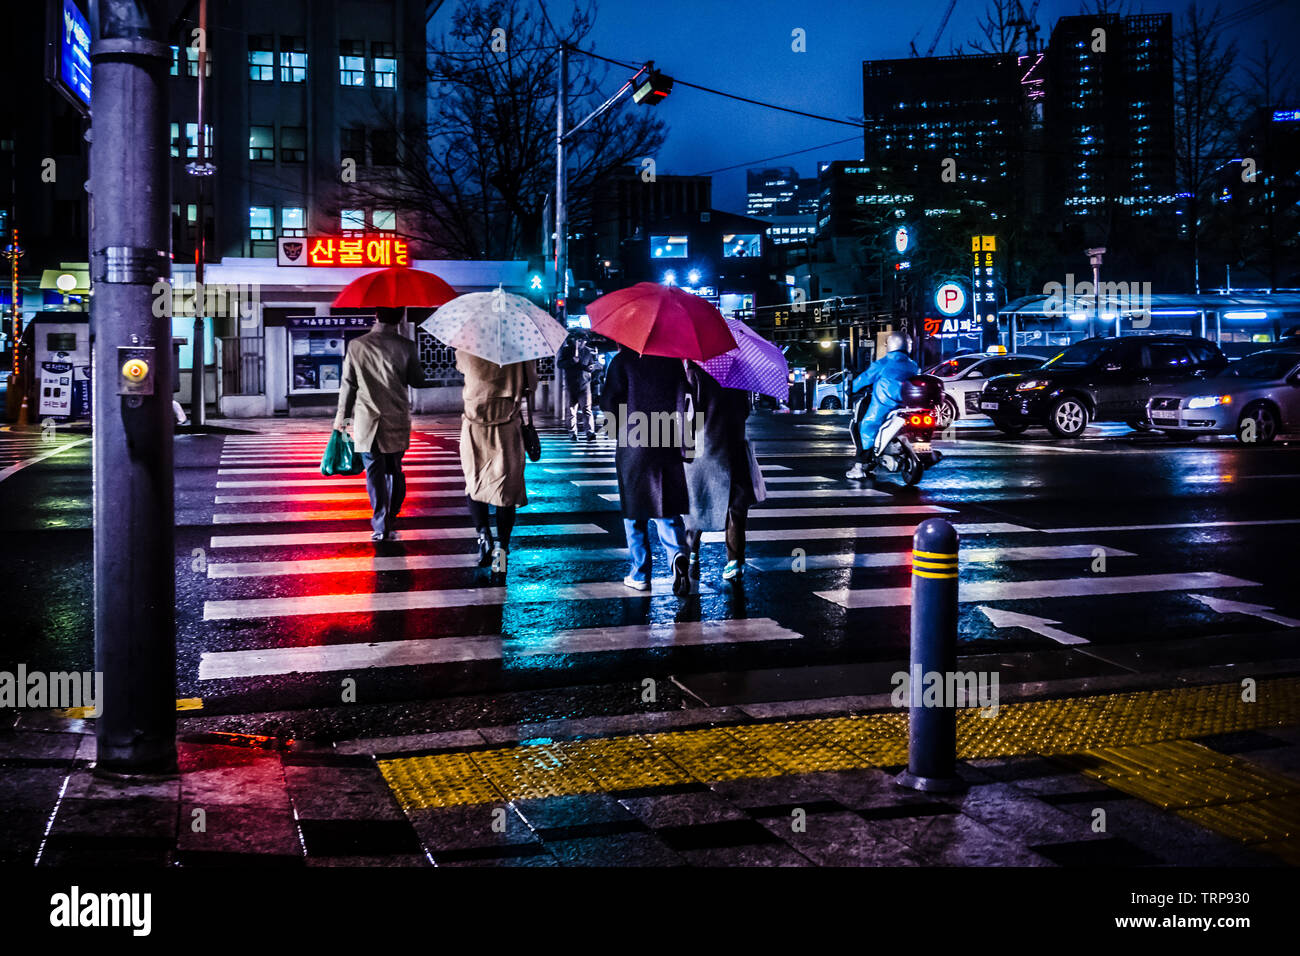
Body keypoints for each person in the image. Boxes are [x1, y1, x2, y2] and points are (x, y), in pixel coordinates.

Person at [601, 346, 691, 596]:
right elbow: (686, 399)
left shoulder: (622, 361)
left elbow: (608, 401)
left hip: (634, 441)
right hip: (666, 438)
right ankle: (677, 554)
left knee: (634, 509)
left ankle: (640, 573)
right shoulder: (672, 359)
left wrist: (619, 426)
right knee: (667, 506)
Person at [334, 308, 429, 541]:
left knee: (374, 472)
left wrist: (342, 420)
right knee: (394, 470)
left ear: (376, 315)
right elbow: (418, 381)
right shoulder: (406, 346)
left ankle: (380, 523)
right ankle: (391, 515)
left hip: (367, 420)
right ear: (399, 318)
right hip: (396, 418)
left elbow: (348, 386)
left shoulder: (357, 345)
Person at [681, 362, 766, 582]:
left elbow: (688, 414)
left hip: (704, 447)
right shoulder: (737, 375)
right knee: (735, 508)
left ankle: (691, 553)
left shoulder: (694, 373)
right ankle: (734, 561)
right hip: (734, 444)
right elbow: (745, 411)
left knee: (695, 503)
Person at [457, 349, 538, 574]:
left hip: (474, 428)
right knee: (507, 492)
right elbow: (531, 386)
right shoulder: (520, 349)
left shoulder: (468, 344)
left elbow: (462, 367)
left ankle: (483, 535)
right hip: (506, 428)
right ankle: (501, 552)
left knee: (474, 484)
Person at [846, 331, 918, 480]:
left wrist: (850, 388)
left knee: (865, 427)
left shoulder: (883, 363)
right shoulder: (913, 365)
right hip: (906, 407)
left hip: (883, 407)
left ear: (890, 345)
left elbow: (864, 379)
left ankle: (859, 466)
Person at [557, 333, 599, 441]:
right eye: (579, 341)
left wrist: (591, 368)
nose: (581, 343)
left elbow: (591, 366)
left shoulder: (587, 352)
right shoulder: (567, 351)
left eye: (583, 341)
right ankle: (572, 432)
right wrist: (572, 361)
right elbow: (560, 364)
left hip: (584, 384)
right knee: (571, 410)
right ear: (575, 340)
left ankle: (590, 432)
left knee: (587, 409)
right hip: (571, 384)